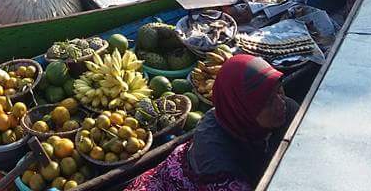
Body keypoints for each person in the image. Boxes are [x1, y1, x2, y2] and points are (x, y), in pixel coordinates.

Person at [125, 55, 295, 191]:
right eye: (268, 101)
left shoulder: (232, 114)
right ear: (242, 109)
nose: (281, 102)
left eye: (279, 89)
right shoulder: (220, 170)